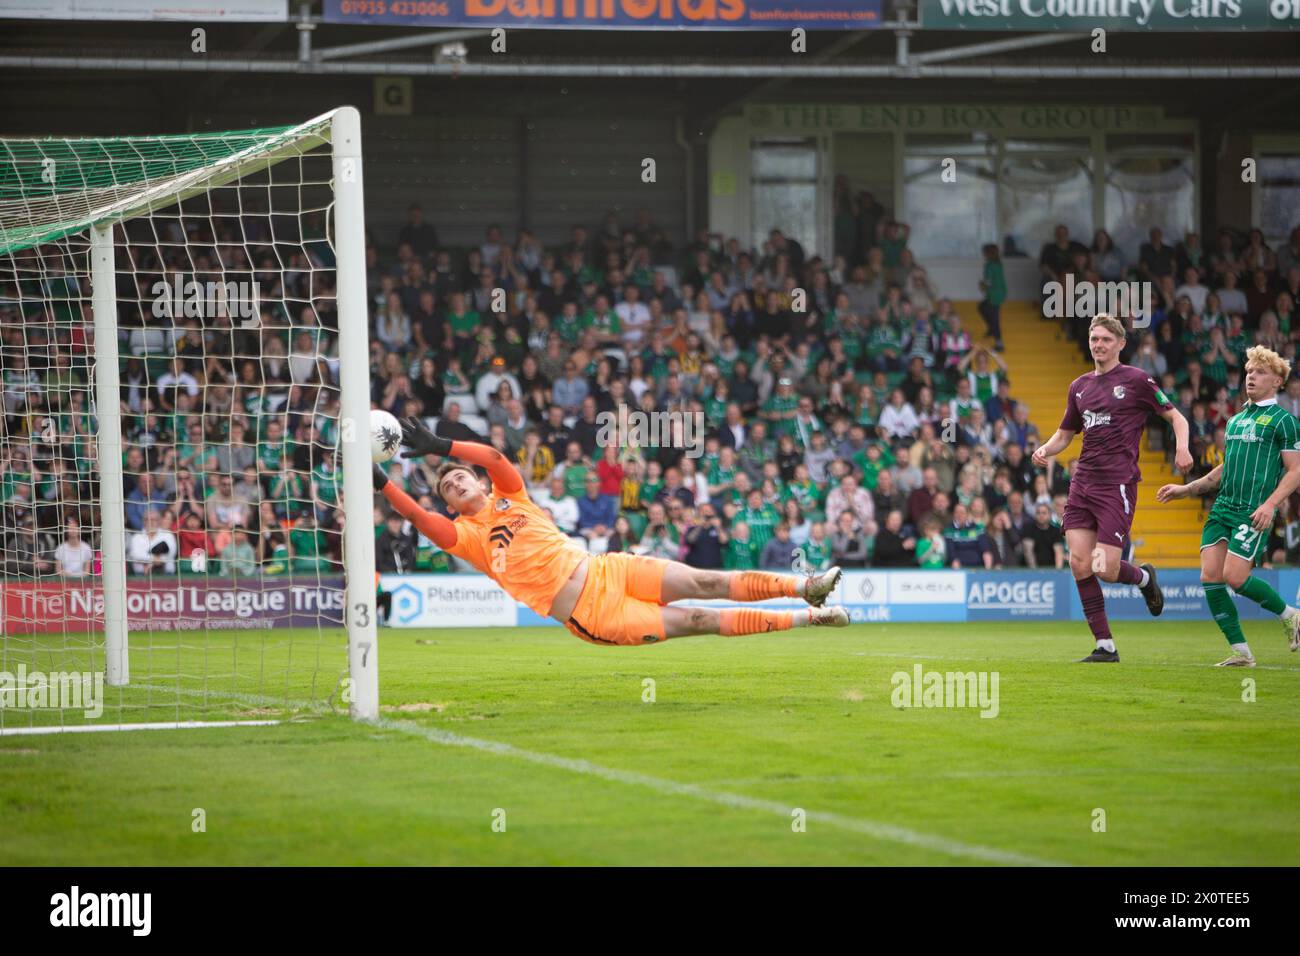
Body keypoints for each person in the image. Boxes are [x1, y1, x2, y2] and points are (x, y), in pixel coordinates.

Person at [372, 419, 847, 644]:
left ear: (477, 482)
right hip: (593, 612)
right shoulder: (467, 537)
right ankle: (813, 619)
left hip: (608, 568)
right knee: (700, 619)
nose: (454, 481)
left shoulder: (510, 495)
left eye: (458, 475)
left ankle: (808, 587)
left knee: (708, 581)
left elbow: (495, 458)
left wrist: (441, 445)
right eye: (446, 487)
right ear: (450, 504)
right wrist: (380, 480)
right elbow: (416, 517)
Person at [1032, 314, 1192, 662]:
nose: (1098, 345)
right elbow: (1065, 435)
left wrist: (1182, 447)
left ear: (1121, 344)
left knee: (1104, 568)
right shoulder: (1079, 386)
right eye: (1094, 339)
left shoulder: (1137, 380)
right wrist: (1045, 449)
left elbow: (1176, 416)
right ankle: (1105, 645)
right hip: (1083, 484)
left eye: (1106, 339)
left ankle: (1144, 579)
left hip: (1115, 485)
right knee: (1078, 563)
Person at [1157, 346, 1300, 666]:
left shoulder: (1284, 422)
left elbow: (1296, 470)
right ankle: (1241, 652)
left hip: (1254, 509)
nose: (1251, 375)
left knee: (1235, 576)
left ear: (1278, 382)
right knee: (1210, 577)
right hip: (1223, 507)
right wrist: (1187, 489)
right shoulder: (1235, 421)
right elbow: (1226, 469)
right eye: (1249, 370)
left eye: (1260, 372)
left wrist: (1270, 505)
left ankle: (1290, 615)